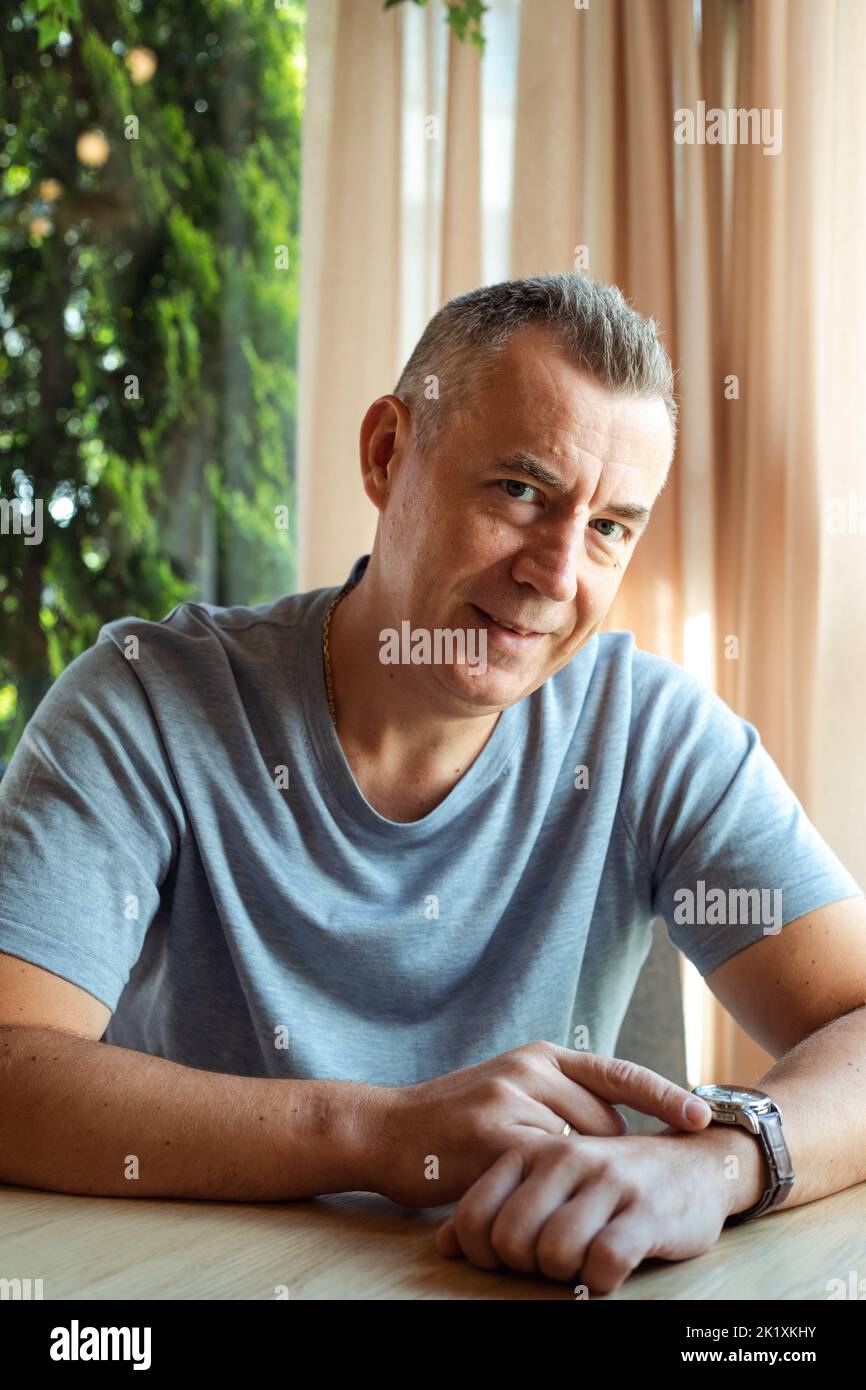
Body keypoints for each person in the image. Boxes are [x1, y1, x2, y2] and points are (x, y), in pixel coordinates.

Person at [1, 272, 864, 1296]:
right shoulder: (147, 701)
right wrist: (378, 1131)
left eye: (608, 528)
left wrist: (721, 1161)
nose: (555, 573)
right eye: (520, 491)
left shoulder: (649, 732)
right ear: (384, 453)